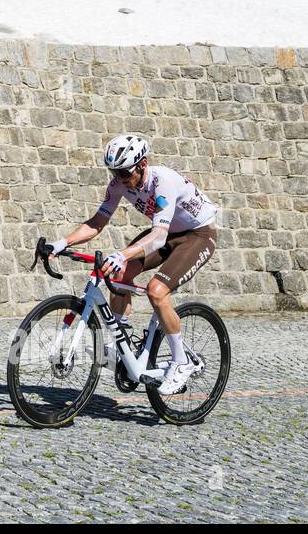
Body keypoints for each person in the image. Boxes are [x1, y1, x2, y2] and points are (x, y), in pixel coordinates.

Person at [43, 134, 220, 394]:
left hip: (197, 234)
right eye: (114, 172)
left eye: (125, 173)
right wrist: (62, 243)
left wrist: (122, 254)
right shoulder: (119, 185)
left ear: (143, 164)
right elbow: (96, 223)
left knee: (156, 291)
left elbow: (158, 237)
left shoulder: (164, 182)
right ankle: (121, 339)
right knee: (119, 273)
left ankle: (181, 362)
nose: (119, 179)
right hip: (167, 232)